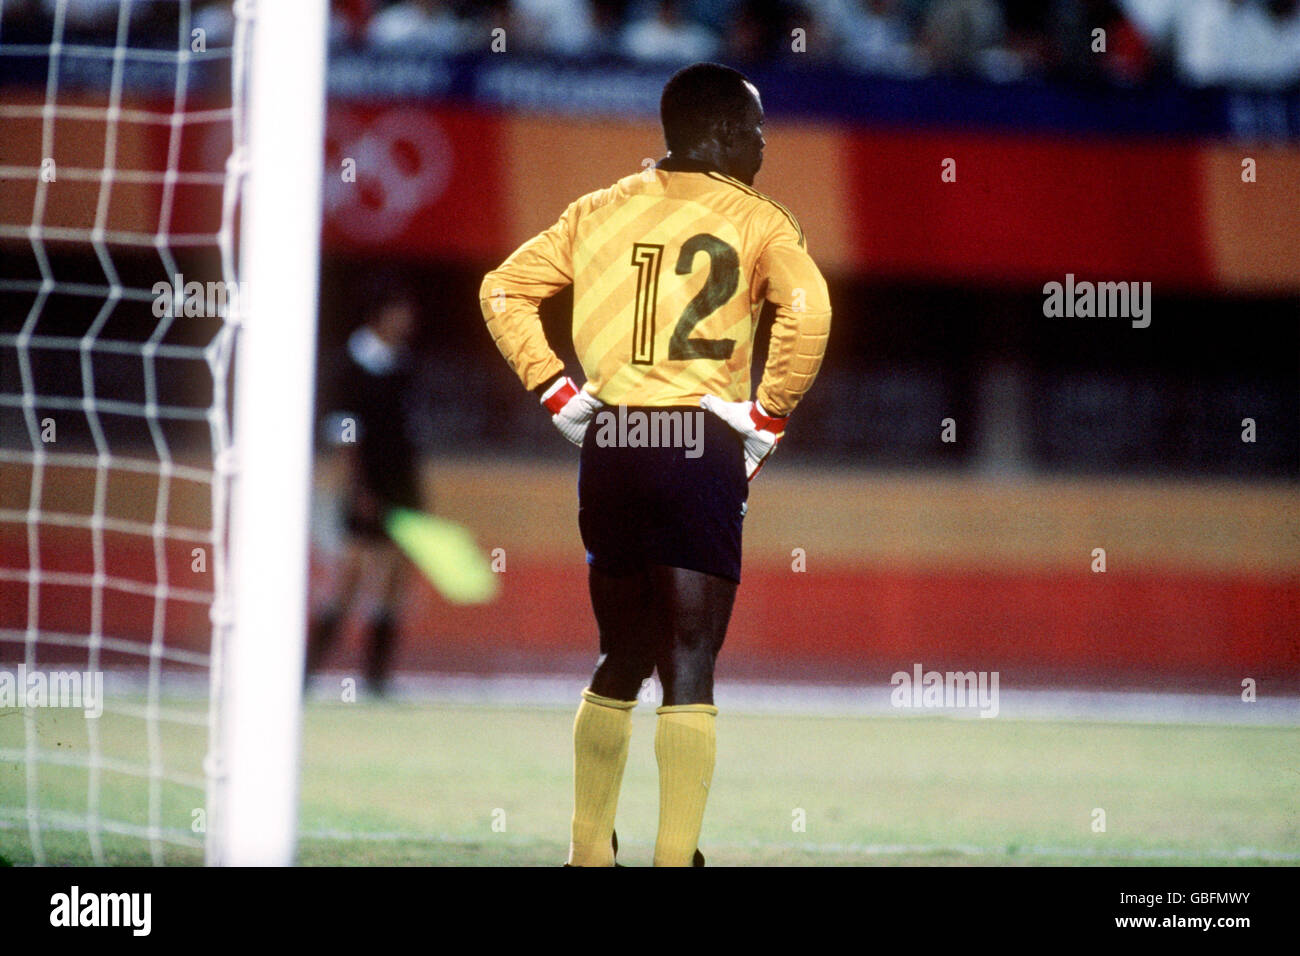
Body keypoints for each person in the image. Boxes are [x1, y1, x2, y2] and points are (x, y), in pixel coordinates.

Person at [479, 62, 831, 866]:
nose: (764, 146)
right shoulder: (761, 222)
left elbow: (502, 290)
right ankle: (676, 860)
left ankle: (587, 854)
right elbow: (811, 313)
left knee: (623, 650)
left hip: (612, 445)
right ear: (719, 134)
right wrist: (768, 417)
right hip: (695, 441)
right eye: (756, 130)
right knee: (690, 656)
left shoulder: (598, 209)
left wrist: (558, 394)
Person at [306, 282, 425, 697]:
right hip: (366, 487)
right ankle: (306, 672)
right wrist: (359, 488)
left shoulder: (404, 365)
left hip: (402, 486)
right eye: (399, 311)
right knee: (350, 577)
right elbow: (344, 433)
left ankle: (376, 680)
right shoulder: (351, 367)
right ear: (380, 314)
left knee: (395, 579)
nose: (407, 320)